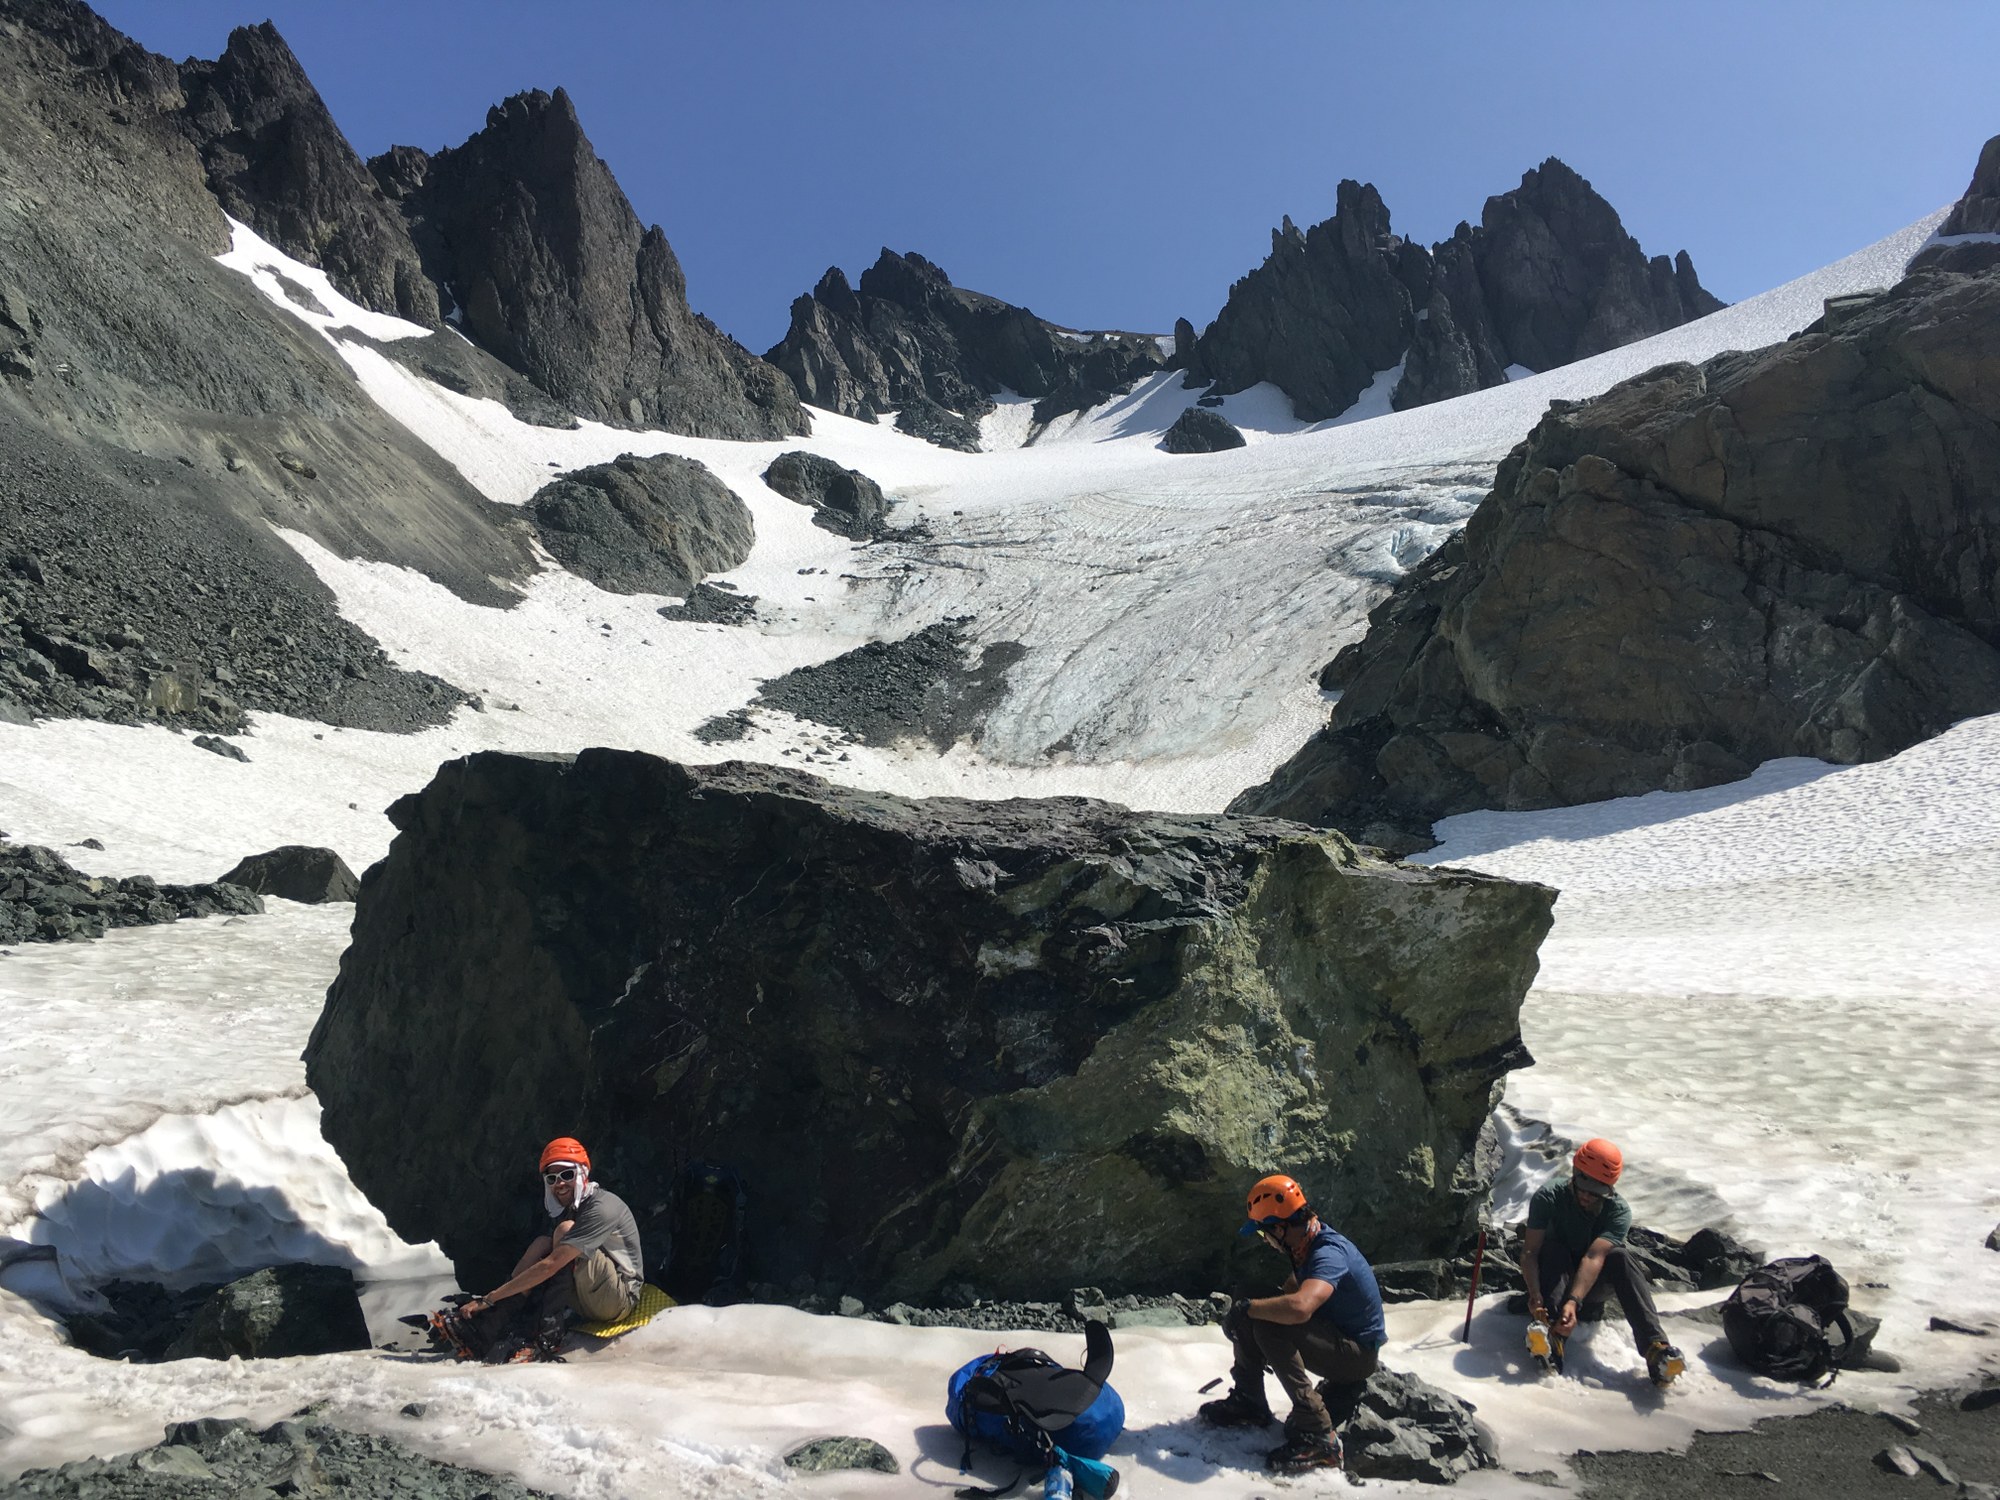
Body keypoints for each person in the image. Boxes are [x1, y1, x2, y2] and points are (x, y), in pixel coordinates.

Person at [1198, 1174, 1386, 1475]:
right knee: (1254, 1300)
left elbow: (1300, 1307)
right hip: (1337, 1337)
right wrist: (1250, 1307)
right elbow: (1292, 1288)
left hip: (1357, 1357)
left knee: (1269, 1323)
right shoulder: (1306, 1243)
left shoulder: (1328, 1252)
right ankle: (1250, 1402)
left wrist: (1250, 1311)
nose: (1267, 1242)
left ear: (1280, 1228)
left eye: (1264, 1234)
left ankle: (1319, 1434)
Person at [455, 1137, 644, 1358]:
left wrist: (489, 1298)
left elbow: (552, 1266)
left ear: (582, 1173)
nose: (559, 1184)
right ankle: (494, 1323)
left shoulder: (602, 1207)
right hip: (589, 1297)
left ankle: (548, 1332)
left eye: (567, 1175)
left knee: (564, 1232)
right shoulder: (574, 1207)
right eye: (552, 1178)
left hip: (618, 1301)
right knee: (542, 1243)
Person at [1521, 1137, 1685, 1387]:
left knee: (1621, 1257)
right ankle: (1550, 1333)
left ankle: (1656, 1350)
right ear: (1574, 1175)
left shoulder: (1618, 1212)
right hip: (1551, 1278)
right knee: (1555, 1250)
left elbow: (1593, 1256)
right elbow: (1531, 1252)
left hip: (1591, 1285)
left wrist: (1573, 1302)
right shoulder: (1549, 1197)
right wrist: (1535, 1295)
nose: (1587, 1196)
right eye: (1583, 1188)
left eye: (1596, 1192)